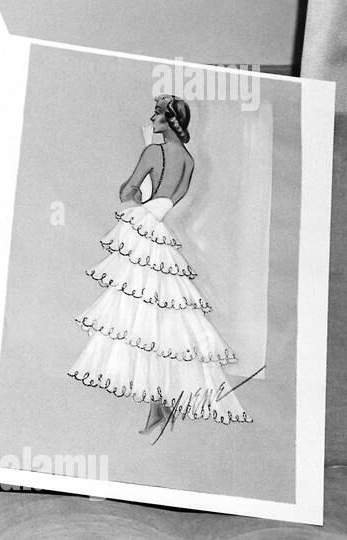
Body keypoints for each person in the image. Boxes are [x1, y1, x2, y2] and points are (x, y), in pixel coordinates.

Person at [68, 95, 251, 433]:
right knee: (163, 315)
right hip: (160, 226)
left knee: (137, 313)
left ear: (169, 121)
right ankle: (160, 401)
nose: (151, 117)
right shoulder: (190, 160)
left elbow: (127, 190)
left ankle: (159, 401)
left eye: (156, 113)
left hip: (143, 225)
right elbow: (174, 198)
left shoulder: (154, 152)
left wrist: (134, 199)